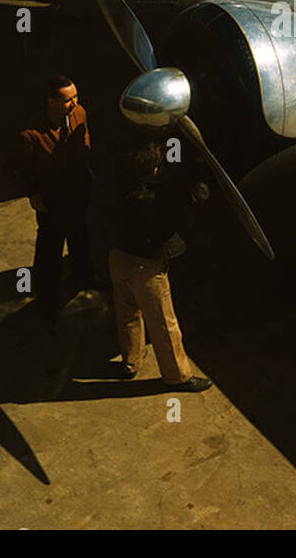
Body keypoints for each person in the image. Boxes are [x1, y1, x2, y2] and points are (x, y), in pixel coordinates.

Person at [97, 136, 212, 393]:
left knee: (127, 313)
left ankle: (130, 363)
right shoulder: (163, 195)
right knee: (163, 322)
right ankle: (177, 376)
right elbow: (199, 193)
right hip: (145, 269)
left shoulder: (124, 185)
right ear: (156, 170)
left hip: (118, 258)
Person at [11, 72, 95, 321]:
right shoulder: (31, 134)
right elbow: (19, 169)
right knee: (50, 246)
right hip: (53, 200)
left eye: (76, 97)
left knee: (80, 235)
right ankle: (47, 297)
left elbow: (86, 142)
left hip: (78, 191)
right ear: (51, 102)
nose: (75, 103)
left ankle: (84, 276)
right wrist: (33, 193)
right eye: (69, 99)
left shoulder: (79, 114)